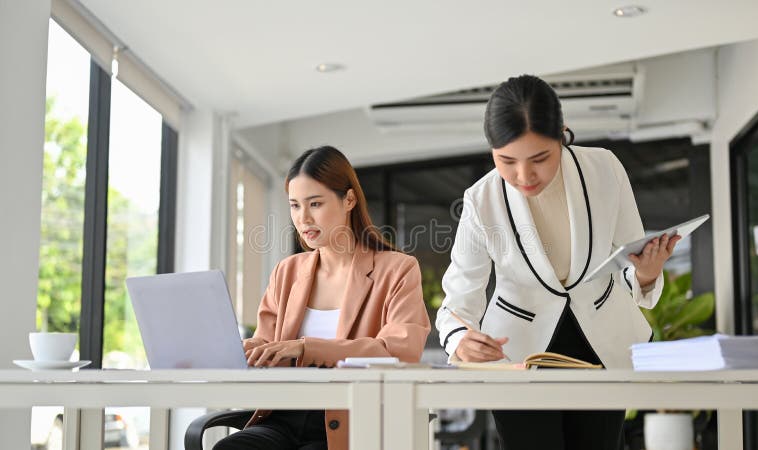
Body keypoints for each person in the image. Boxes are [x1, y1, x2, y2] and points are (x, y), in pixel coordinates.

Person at [435, 74, 680, 450]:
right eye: (506, 161)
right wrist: (460, 339)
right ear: (491, 151)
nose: (523, 176)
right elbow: (458, 298)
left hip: (600, 343)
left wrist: (646, 273)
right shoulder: (481, 198)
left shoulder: (605, 169)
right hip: (518, 350)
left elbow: (630, 259)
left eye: (540, 158)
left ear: (563, 136)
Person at [214, 146, 430, 450]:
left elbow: (398, 352)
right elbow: (266, 343)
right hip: (283, 416)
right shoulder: (287, 271)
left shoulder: (397, 269)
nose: (304, 218)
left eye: (315, 203)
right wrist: (244, 350)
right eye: (294, 206)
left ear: (349, 200)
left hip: (353, 420)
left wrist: (306, 348)